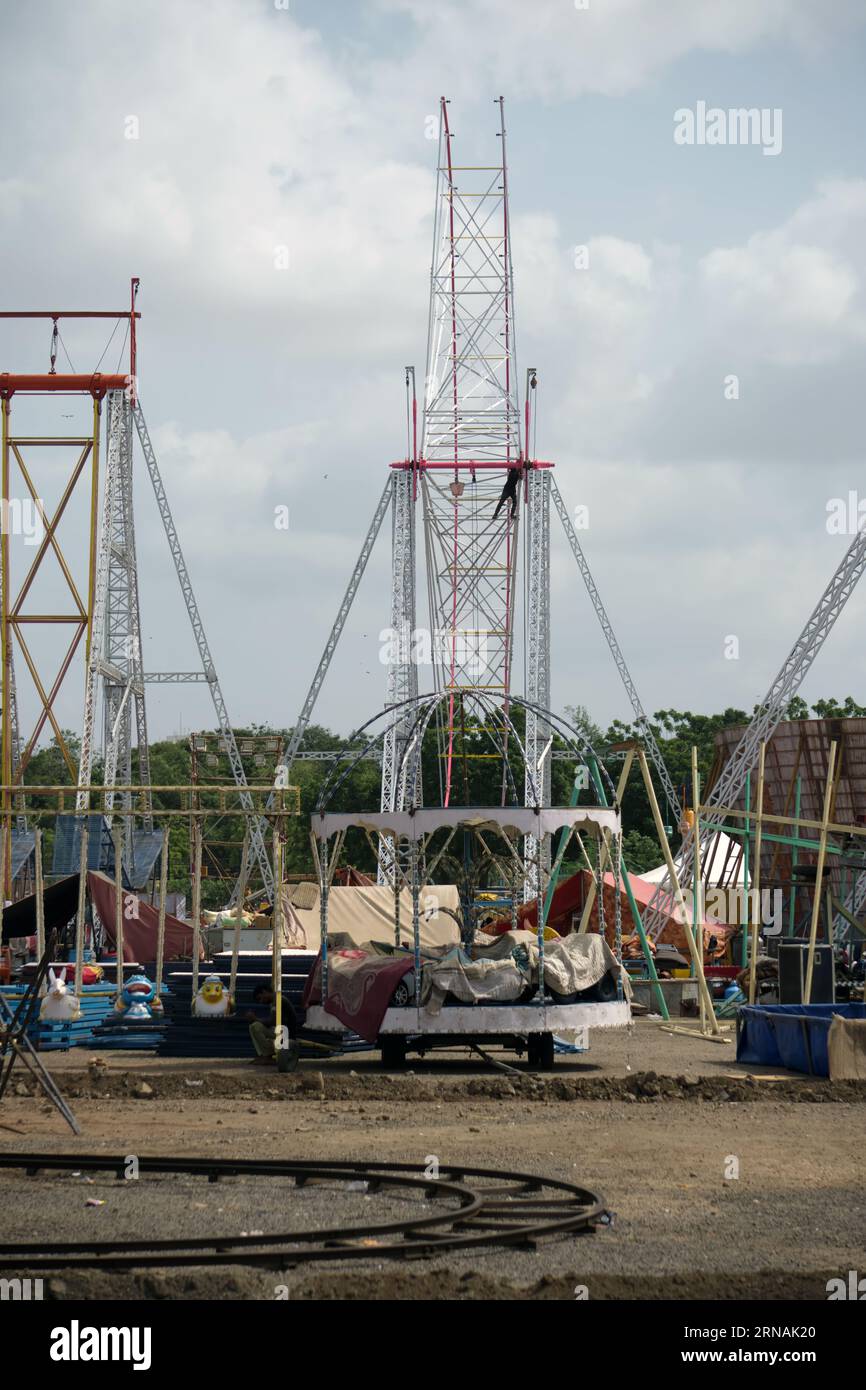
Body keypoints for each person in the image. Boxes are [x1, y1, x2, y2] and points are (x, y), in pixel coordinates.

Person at [244, 984, 298, 1066]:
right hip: (281, 1030)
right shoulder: (275, 1000)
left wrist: (255, 1018)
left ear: (264, 992)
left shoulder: (278, 1000)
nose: (261, 1002)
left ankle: (267, 1057)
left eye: (260, 998)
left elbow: (272, 1022)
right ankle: (263, 1055)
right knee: (253, 1026)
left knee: (255, 1026)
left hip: (286, 1034)